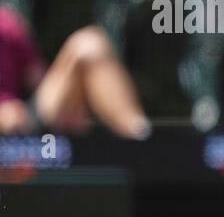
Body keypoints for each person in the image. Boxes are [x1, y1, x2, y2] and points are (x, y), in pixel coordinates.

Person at [0, 8, 151, 139]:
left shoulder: (7, 23)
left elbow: (37, 82)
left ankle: (143, 143)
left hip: (25, 121)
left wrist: (76, 97)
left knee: (90, 44)